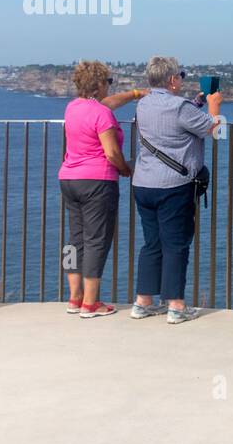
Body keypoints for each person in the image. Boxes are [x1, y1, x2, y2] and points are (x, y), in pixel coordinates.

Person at [129, 56, 222, 325]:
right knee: (176, 245)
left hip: (143, 183)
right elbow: (214, 130)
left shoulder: (143, 103)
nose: (182, 78)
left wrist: (198, 103)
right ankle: (176, 306)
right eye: (180, 74)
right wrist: (214, 107)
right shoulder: (179, 107)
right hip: (173, 186)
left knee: (152, 244)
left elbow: (170, 121)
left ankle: (142, 302)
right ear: (171, 79)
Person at [59, 61, 143, 318]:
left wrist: (137, 94)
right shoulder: (102, 114)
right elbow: (111, 152)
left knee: (73, 240)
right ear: (98, 85)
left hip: (68, 178)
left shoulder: (73, 108)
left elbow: (111, 102)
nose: (111, 85)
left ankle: (74, 297)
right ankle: (91, 302)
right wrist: (125, 169)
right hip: (97, 181)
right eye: (108, 81)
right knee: (96, 240)